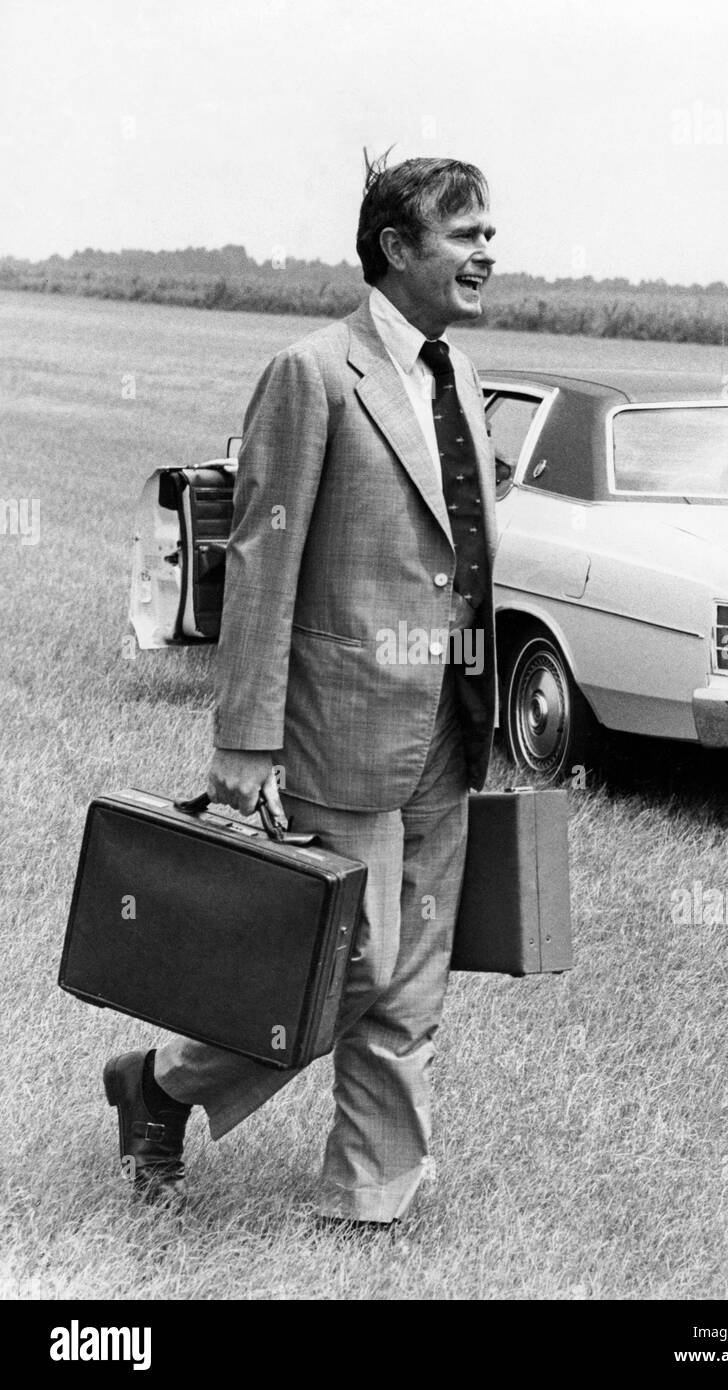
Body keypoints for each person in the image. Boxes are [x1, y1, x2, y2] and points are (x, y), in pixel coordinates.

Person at [103, 154, 498, 1230]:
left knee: (413, 978)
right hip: (339, 727)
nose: (485, 252)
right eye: (462, 235)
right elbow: (262, 566)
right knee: (336, 968)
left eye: (486, 233)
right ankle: (159, 1082)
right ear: (394, 250)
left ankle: (370, 1196)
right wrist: (245, 742)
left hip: (450, 730)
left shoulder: (459, 378)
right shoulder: (312, 372)